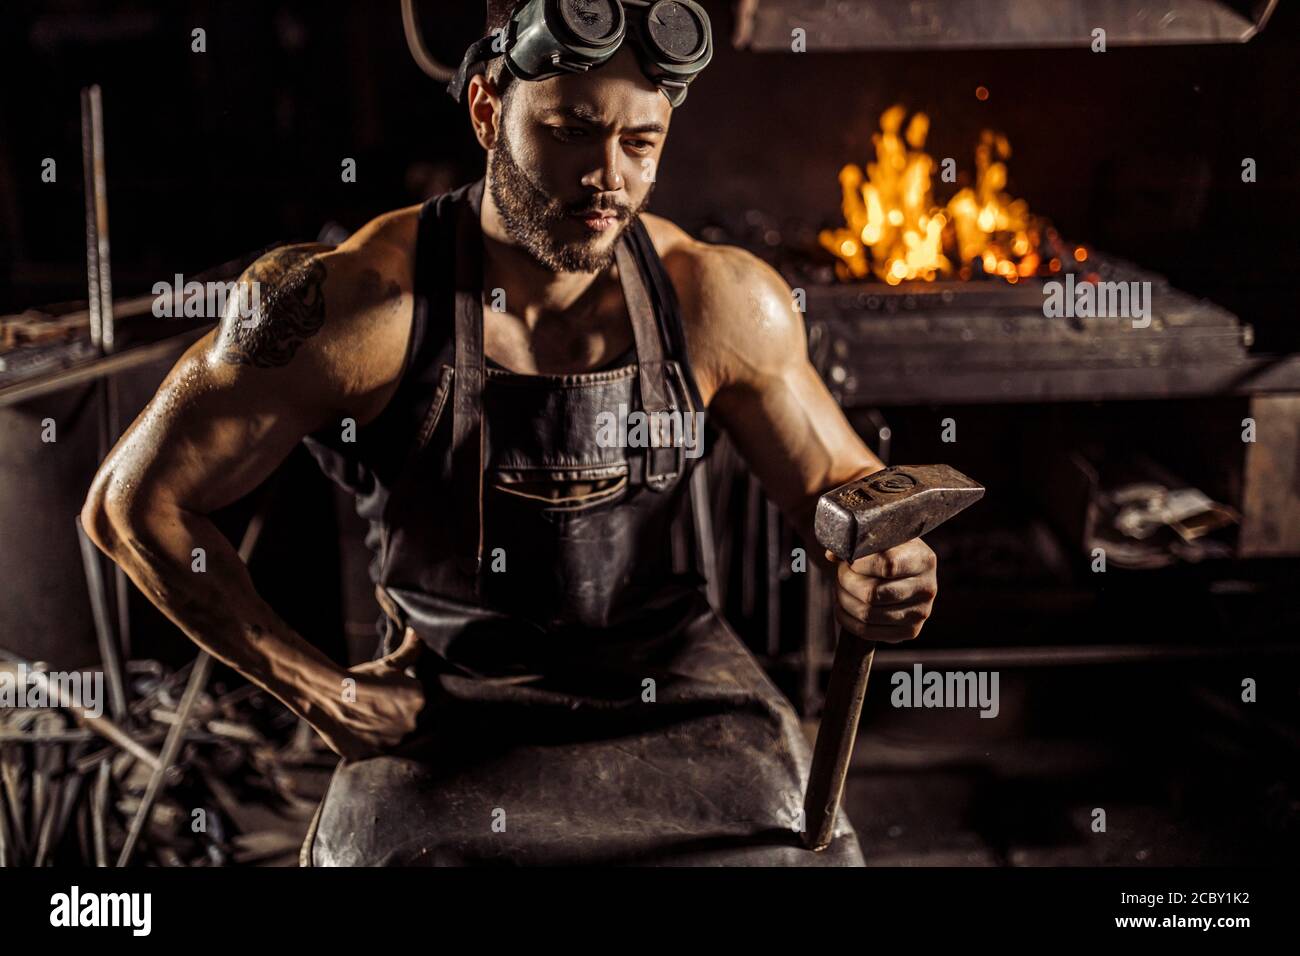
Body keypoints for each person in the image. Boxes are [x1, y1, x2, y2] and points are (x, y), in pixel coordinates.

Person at [81, 0, 938, 865]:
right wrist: (323, 693)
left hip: (678, 688)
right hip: (446, 700)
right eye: (572, 132)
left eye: (640, 143)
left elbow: (841, 489)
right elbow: (132, 505)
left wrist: (879, 560)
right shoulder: (362, 308)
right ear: (489, 111)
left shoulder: (720, 299)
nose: (607, 177)